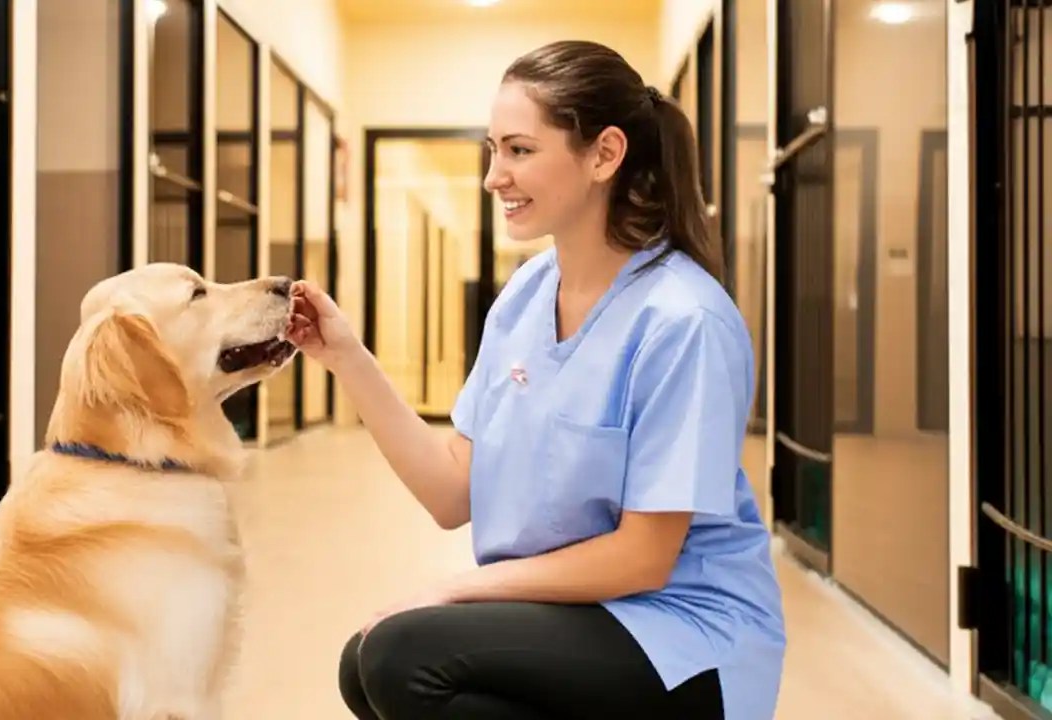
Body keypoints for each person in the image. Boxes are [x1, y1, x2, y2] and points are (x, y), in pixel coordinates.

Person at [284, 39, 785, 720]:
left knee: (402, 657)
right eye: (494, 150)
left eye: (519, 150)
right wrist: (345, 355)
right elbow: (450, 490)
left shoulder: (683, 319)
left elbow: (644, 558)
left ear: (604, 155)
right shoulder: (524, 297)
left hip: (683, 635)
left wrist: (457, 590)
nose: (494, 176)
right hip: (581, 614)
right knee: (366, 663)